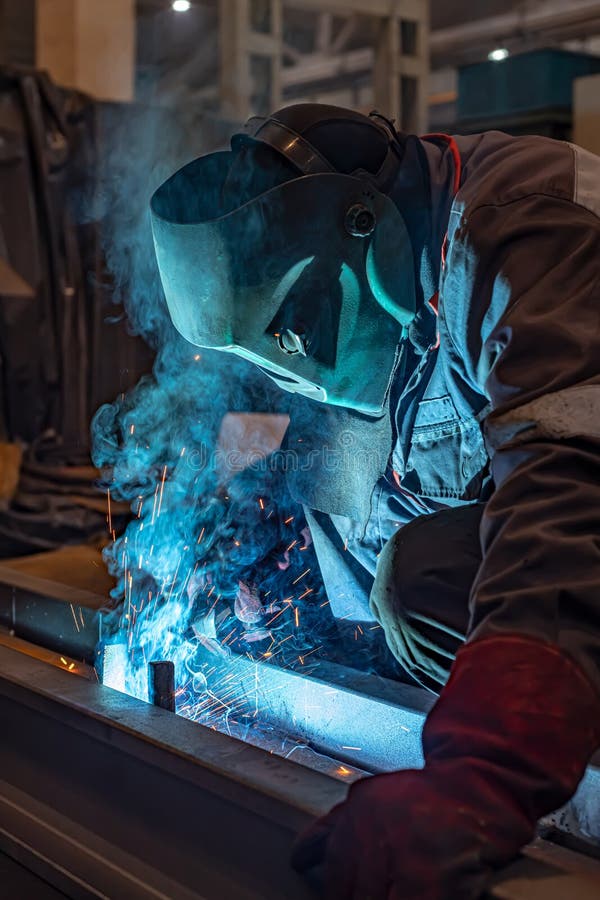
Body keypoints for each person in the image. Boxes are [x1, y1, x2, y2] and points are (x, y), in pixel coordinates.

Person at [150, 104, 600, 900]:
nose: (297, 370)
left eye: (296, 333)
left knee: (423, 574)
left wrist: (484, 773)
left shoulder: (532, 232)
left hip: (575, 549)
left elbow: (568, 499)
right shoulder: (341, 281)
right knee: (358, 501)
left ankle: (554, 762)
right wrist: (233, 536)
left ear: (366, 226)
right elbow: (263, 421)